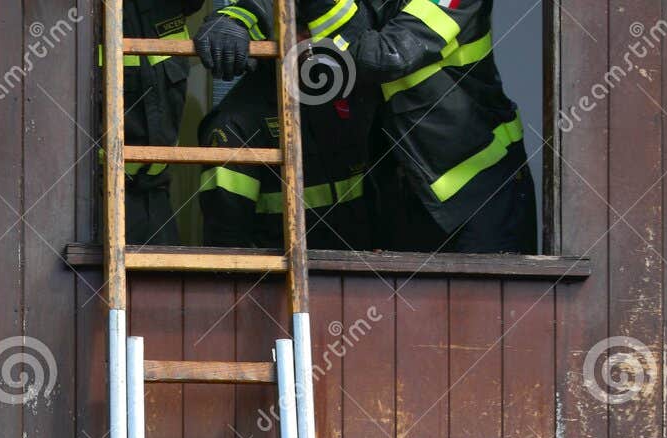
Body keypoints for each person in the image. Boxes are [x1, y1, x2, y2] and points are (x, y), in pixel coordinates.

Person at [195, 0, 536, 254]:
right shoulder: (236, 122)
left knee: (484, 328)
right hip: (404, 193)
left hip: (481, 192)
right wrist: (233, 19)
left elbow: (387, 56)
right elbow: (287, 8)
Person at [197, 52, 377, 250]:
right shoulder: (235, 124)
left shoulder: (343, 92)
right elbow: (226, 237)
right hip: (280, 274)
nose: (310, 37)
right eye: (298, 28)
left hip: (357, 269)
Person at [120, 5, 201, 244]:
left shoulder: (167, 10)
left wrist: (230, 20)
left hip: (155, 200)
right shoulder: (82, 17)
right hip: (88, 203)